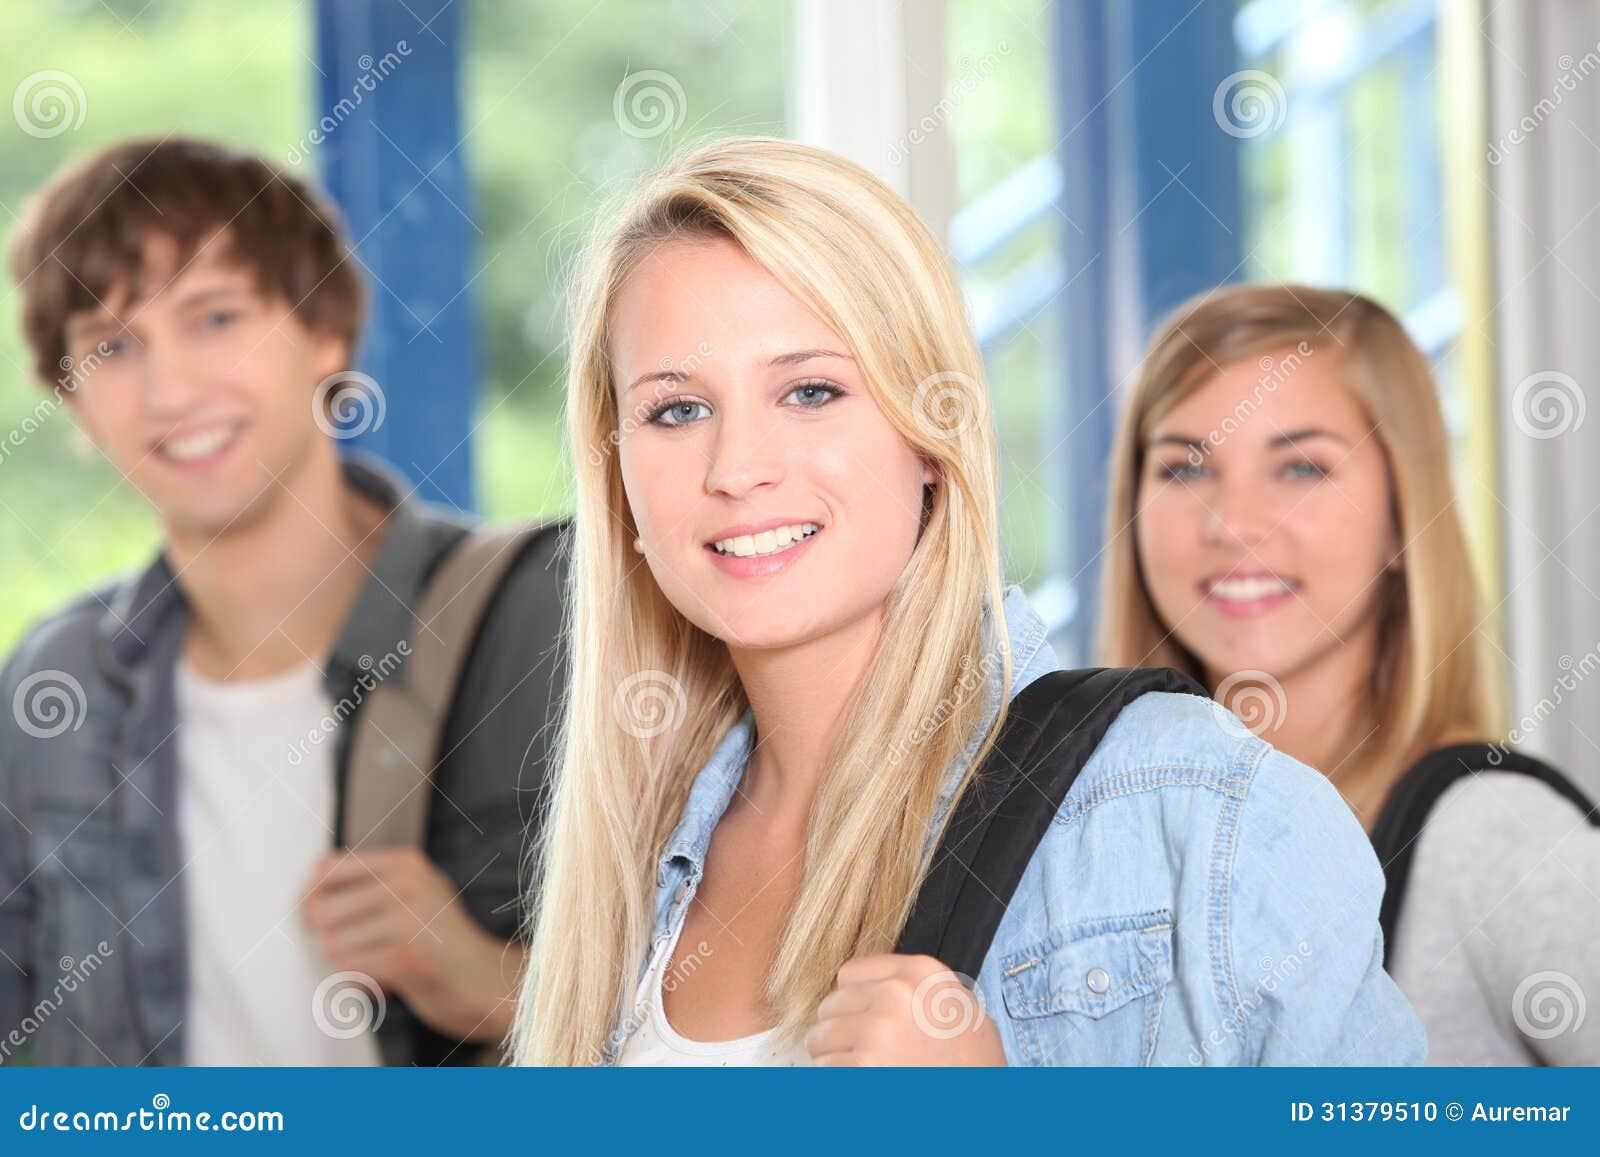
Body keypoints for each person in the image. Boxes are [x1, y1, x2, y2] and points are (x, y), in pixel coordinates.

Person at [506, 137, 1424, 1067]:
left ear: (931, 438)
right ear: (616, 472)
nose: (737, 468)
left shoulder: (1199, 808)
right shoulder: (627, 860)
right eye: (677, 410)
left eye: (811, 390)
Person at [0, 138, 569, 1066]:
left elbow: (731, 1028)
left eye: (215, 317)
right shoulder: (50, 686)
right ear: (71, 399)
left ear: (325, 333)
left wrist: (496, 986)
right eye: (111, 345)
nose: (170, 389)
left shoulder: (543, 619)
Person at [1099, 282, 1600, 1064]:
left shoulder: (1492, 837)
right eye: (1184, 467)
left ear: (1405, 513)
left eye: (1300, 468)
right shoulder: (1104, 860)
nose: (1231, 522)